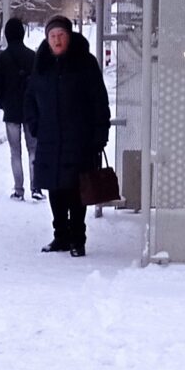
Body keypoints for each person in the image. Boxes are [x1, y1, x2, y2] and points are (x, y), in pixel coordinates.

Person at [25, 16, 109, 258]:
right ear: (47, 39)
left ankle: (77, 239)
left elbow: (99, 101)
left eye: (61, 35)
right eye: (53, 36)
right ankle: (60, 235)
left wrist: (99, 134)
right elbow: (29, 97)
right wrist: (35, 125)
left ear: (69, 37)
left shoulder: (85, 63)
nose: (57, 40)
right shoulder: (41, 63)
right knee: (55, 189)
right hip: (50, 140)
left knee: (75, 190)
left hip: (79, 139)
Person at [0, 17, 37, 200]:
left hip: (11, 112)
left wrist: (1, 102)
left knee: (15, 152)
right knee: (33, 150)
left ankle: (19, 190)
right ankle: (36, 189)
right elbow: (37, 84)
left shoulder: (1, 59)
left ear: (7, 35)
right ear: (23, 34)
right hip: (30, 112)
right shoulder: (33, 57)